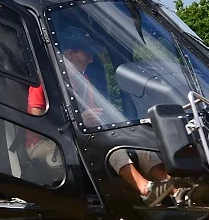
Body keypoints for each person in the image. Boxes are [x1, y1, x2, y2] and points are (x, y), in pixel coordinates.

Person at [56, 28, 171, 202]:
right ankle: (146, 190)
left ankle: (173, 187)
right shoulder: (51, 81)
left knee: (136, 141)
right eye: (87, 55)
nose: (91, 60)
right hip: (58, 142)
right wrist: (80, 120)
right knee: (113, 147)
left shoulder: (85, 82)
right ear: (70, 54)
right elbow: (38, 115)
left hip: (84, 136)